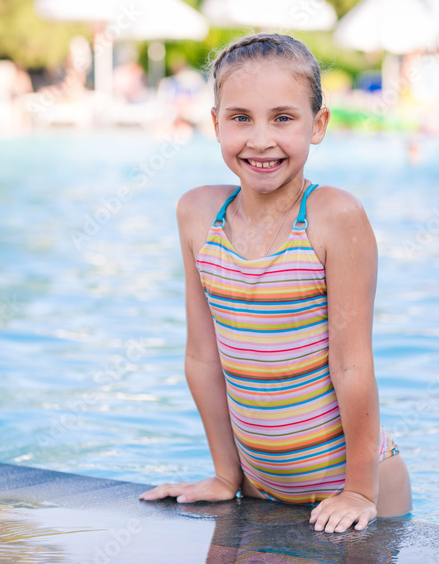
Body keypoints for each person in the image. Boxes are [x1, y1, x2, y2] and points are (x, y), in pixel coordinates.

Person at [139, 33, 412, 533]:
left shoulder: (333, 216)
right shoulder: (199, 214)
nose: (260, 139)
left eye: (283, 118)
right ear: (216, 123)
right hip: (263, 486)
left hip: (357, 483)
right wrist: (226, 475)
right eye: (240, 118)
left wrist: (358, 492)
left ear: (319, 124)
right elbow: (202, 357)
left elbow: (352, 363)